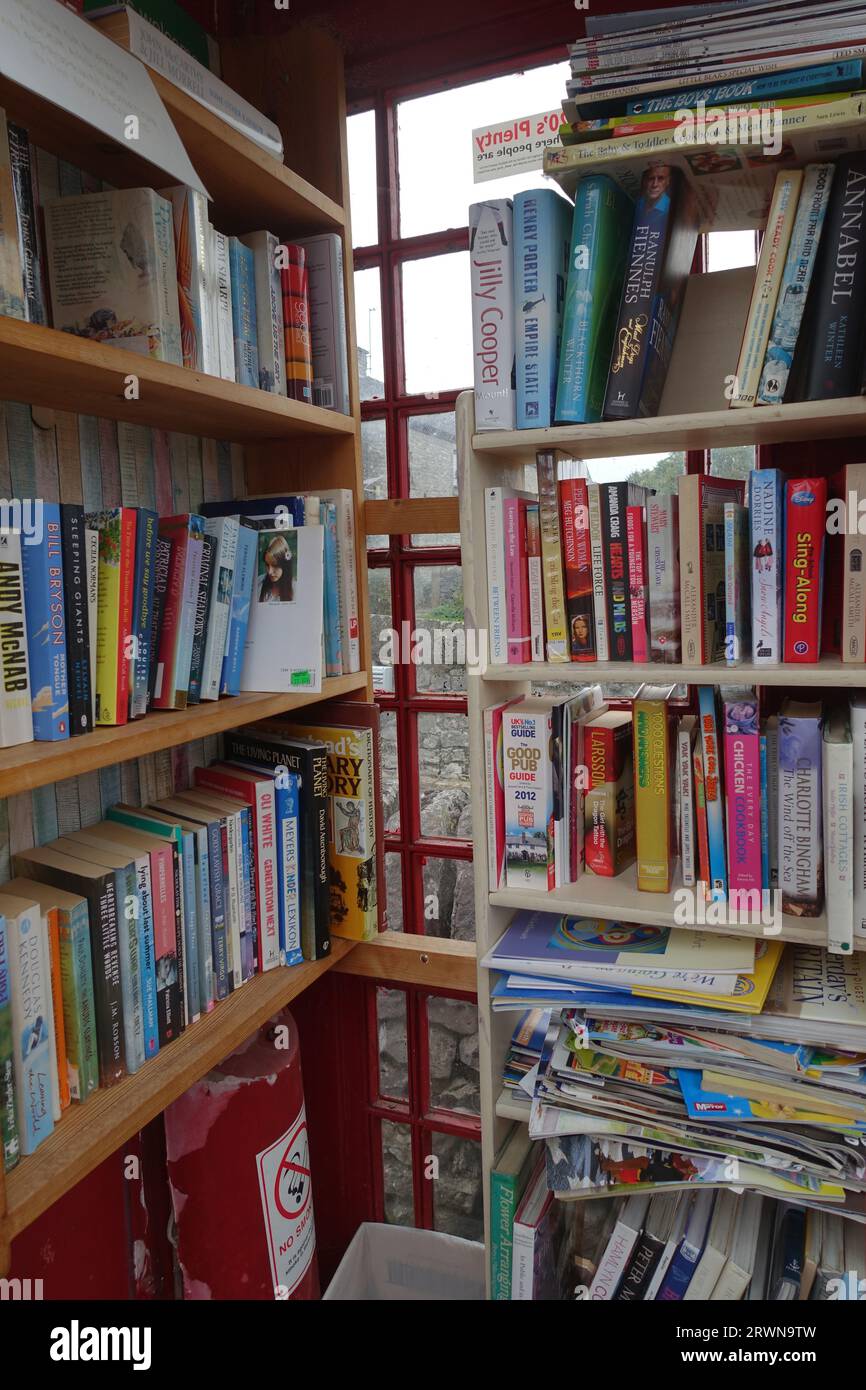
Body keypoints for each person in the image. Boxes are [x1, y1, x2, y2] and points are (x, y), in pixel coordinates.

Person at [259, 533, 294, 602]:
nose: (269, 572)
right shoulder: (258, 583)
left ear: (285, 565)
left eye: (275, 566)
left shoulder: (296, 590)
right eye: (267, 564)